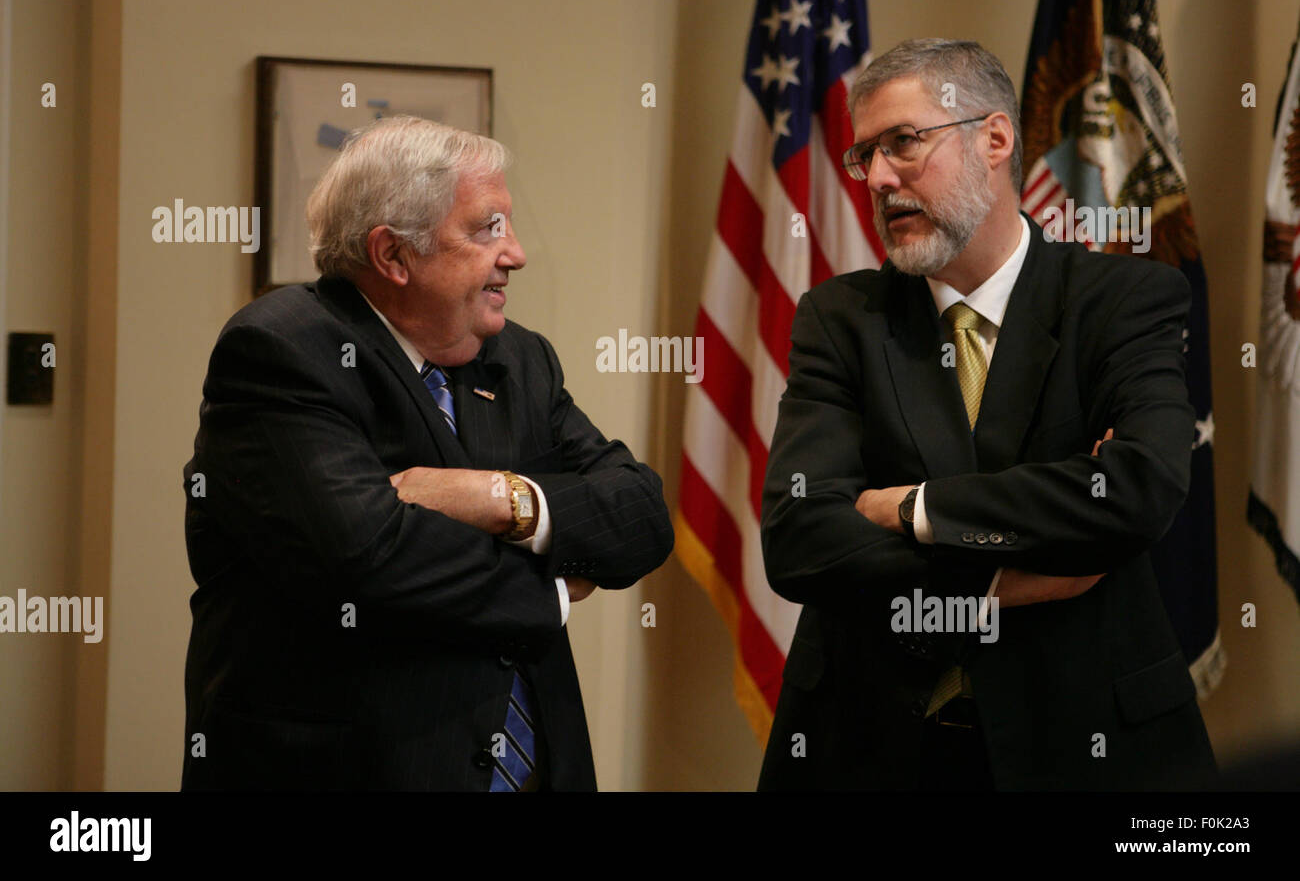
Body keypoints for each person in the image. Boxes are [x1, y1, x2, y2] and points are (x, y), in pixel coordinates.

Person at [757, 39, 1216, 790]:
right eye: (863, 155)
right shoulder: (842, 319)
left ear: (995, 139)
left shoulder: (1123, 302)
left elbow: (1136, 490)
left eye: (902, 143)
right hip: (871, 746)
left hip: (1084, 742)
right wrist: (997, 582)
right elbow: (800, 538)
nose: (876, 178)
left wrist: (915, 508)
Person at [181, 116, 673, 791]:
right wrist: (554, 589)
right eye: (487, 228)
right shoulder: (285, 348)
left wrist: (504, 500)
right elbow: (369, 556)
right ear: (393, 256)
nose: (517, 253)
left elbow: (642, 515)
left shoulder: (519, 358)